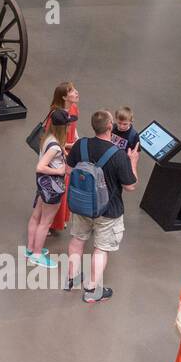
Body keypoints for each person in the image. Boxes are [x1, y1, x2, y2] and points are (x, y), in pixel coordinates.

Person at [64, 108, 138, 303]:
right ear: (109, 127)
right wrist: (133, 162)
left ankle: (71, 278)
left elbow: (69, 170)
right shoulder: (118, 155)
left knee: (77, 239)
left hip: (82, 206)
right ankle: (92, 290)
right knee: (100, 248)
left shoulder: (81, 145)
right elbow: (130, 186)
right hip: (108, 211)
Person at [26, 108, 70, 267]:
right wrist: (58, 170)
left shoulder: (47, 138)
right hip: (52, 187)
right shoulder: (55, 147)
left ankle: (31, 248)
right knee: (45, 222)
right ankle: (36, 255)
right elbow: (40, 167)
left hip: (42, 185)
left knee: (36, 216)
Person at [47, 81, 81, 234]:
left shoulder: (73, 108)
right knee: (52, 189)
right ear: (64, 97)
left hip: (67, 152)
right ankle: (47, 223)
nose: (76, 92)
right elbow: (51, 139)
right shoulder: (55, 115)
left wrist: (76, 140)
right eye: (72, 91)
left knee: (65, 187)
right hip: (56, 156)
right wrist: (69, 146)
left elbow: (74, 129)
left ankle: (58, 220)